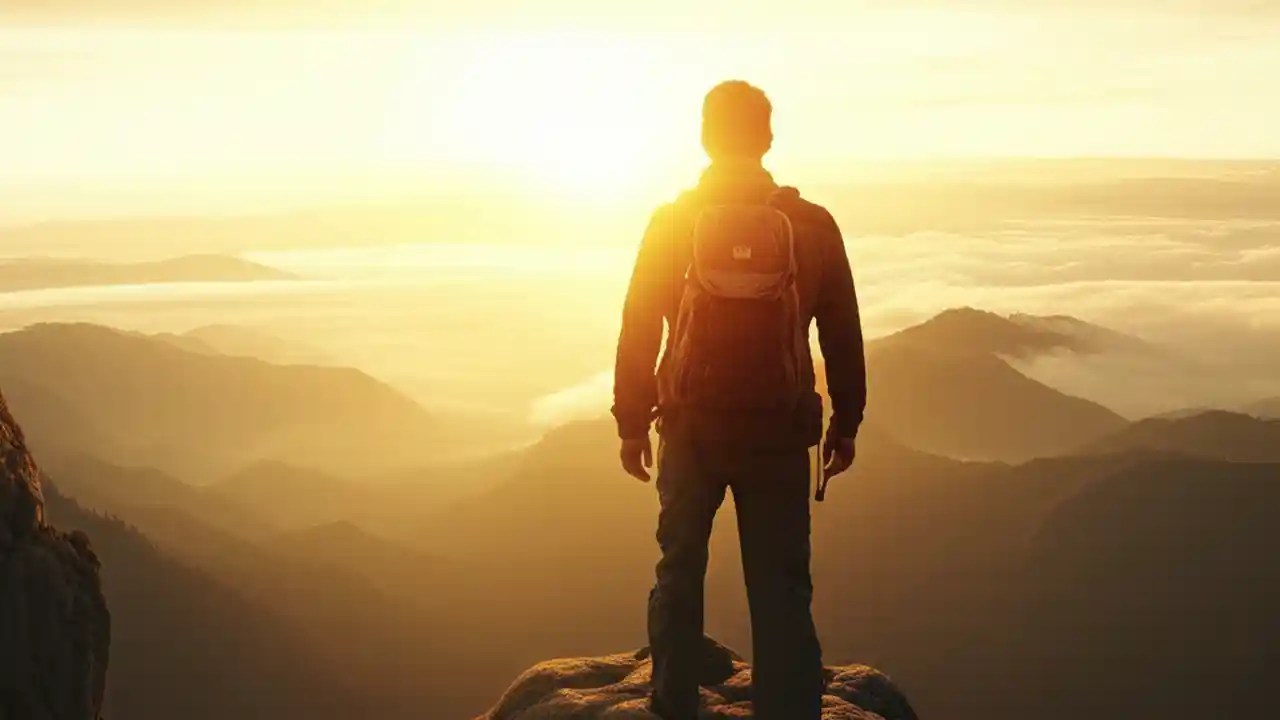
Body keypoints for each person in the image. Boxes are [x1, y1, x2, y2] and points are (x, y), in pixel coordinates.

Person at [612, 80, 867, 720]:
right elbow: (841, 328)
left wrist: (631, 422)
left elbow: (639, 322)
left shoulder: (672, 222)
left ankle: (673, 704)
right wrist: (846, 422)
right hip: (779, 431)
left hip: (690, 428)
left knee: (679, 573)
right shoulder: (811, 225)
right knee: (781, 585)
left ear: (705, 138)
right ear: (768, 138)